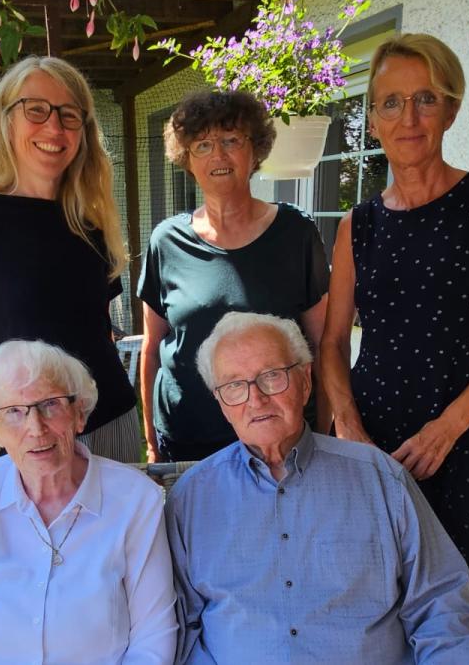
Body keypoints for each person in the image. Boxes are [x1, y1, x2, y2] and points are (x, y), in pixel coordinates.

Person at [318, 33, 469, 637]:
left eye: (425, 99)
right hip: (378, 440)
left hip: (464, 434)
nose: (407, 118)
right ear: (372, 118)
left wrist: (450, 426)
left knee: (463, 615)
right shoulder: (356, 225)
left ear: (452, 108)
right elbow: (332, 343)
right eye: (390, 102)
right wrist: (348, 427)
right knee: (375, 605)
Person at [165, 312, 469, 664]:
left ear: (305, 380)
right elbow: (182, 627)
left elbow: (441, 606)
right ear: (221, 403)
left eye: (272, 376)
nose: (255, 399)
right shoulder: (192, 499)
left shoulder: (381, 480)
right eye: (234, 386)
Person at [0, 56, 140, 511]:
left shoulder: (89, 220)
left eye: (69, 114)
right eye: (35, 109)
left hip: (112, 424)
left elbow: (95, 332)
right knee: (47, 574)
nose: (54, 127)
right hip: (30, 437)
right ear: (6, 119)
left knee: (122, 571)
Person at [0, 340, 177, 664]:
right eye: (14, 412)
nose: (36, 428)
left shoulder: (134, 501)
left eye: (51, 405)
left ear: (79, 414)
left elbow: (153, 641)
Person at [138, 90, 330, 463]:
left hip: (277, 441)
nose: (218, 156)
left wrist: (323, 435)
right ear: (186, 158)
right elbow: (152, 349)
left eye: (231, 141)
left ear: (255, 150)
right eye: (203, 145)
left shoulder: (295, 233)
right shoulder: (167, 240)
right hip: (187, 440)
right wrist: (151, 440)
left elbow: (322, 347)